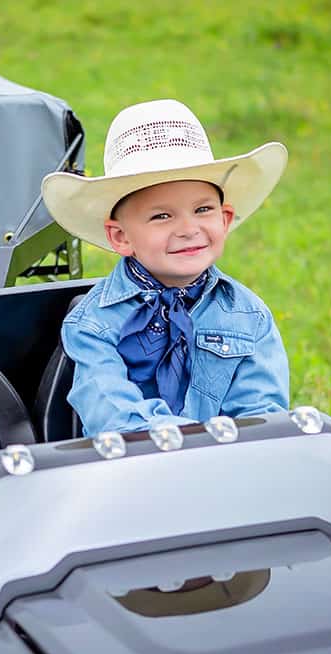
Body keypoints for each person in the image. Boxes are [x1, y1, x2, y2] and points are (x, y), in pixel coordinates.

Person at [41, 99, 291, 435]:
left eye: (202, 210)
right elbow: (113, 416)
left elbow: (263, 417)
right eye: (162, 216)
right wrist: (196, 442)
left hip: (227, 463)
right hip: (133, 464)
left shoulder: (248, 316)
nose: (188, 229)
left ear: (225, 219)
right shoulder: (93, 324)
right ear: (121, 237)